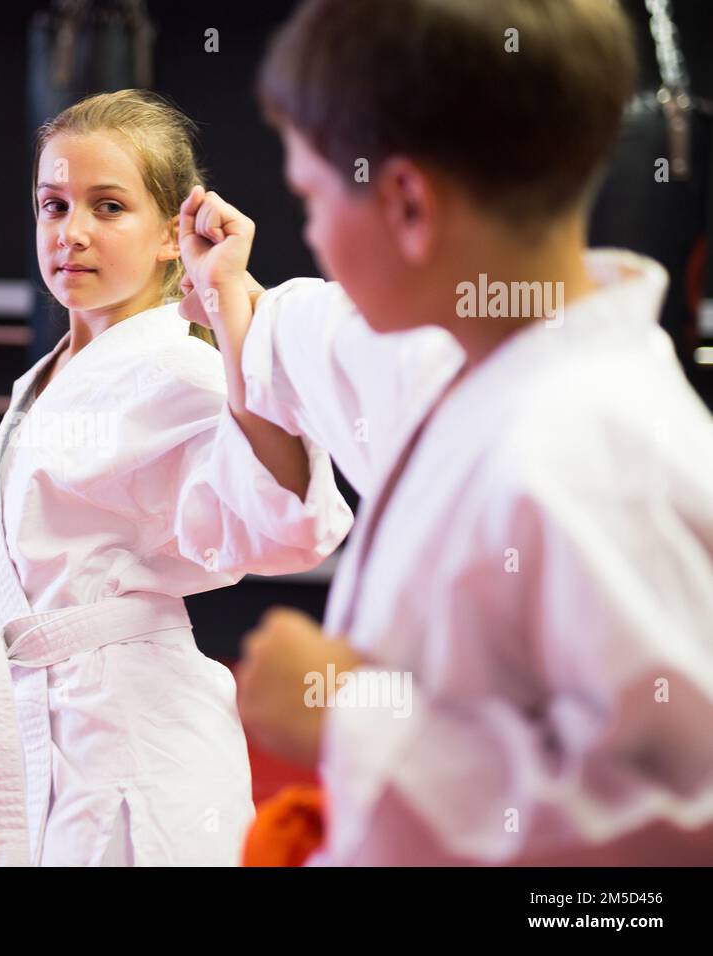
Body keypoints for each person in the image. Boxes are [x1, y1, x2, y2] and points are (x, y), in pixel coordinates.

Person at [180, 0, 713, 865]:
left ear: (409, 207)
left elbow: (660, 848)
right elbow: (311, 336)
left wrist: (347, 713)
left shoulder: (596, 451)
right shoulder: (463, 366)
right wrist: (222, 293)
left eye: (311, 199)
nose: (309, 233)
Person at [0, 90, 352, 866]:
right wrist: (6, 645)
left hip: (129, 742)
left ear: (170, 233)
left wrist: (226, 307)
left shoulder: (176, 364)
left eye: (108, 206)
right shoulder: (47, 376)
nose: (71, 233)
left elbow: (287, 520)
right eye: (53, 205)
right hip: (41, 710)